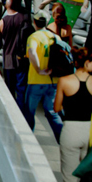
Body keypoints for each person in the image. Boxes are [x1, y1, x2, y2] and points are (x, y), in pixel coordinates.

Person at [54, 47, 92, 182]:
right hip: (90, 131)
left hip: (71, 130)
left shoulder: (64, 81)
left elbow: (57, 108)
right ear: (87, 63)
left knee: (69, 177)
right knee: (86, 174)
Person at [24, 11, 64, 142]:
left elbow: (31, 52)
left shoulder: (34, 37)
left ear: (34, 22)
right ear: (47, 22)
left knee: (30, 111)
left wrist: (39, 70)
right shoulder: (56, 37)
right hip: (54, 81)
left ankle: (29, 139)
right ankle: (62, 139)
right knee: (52, 112)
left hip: (36, 81)